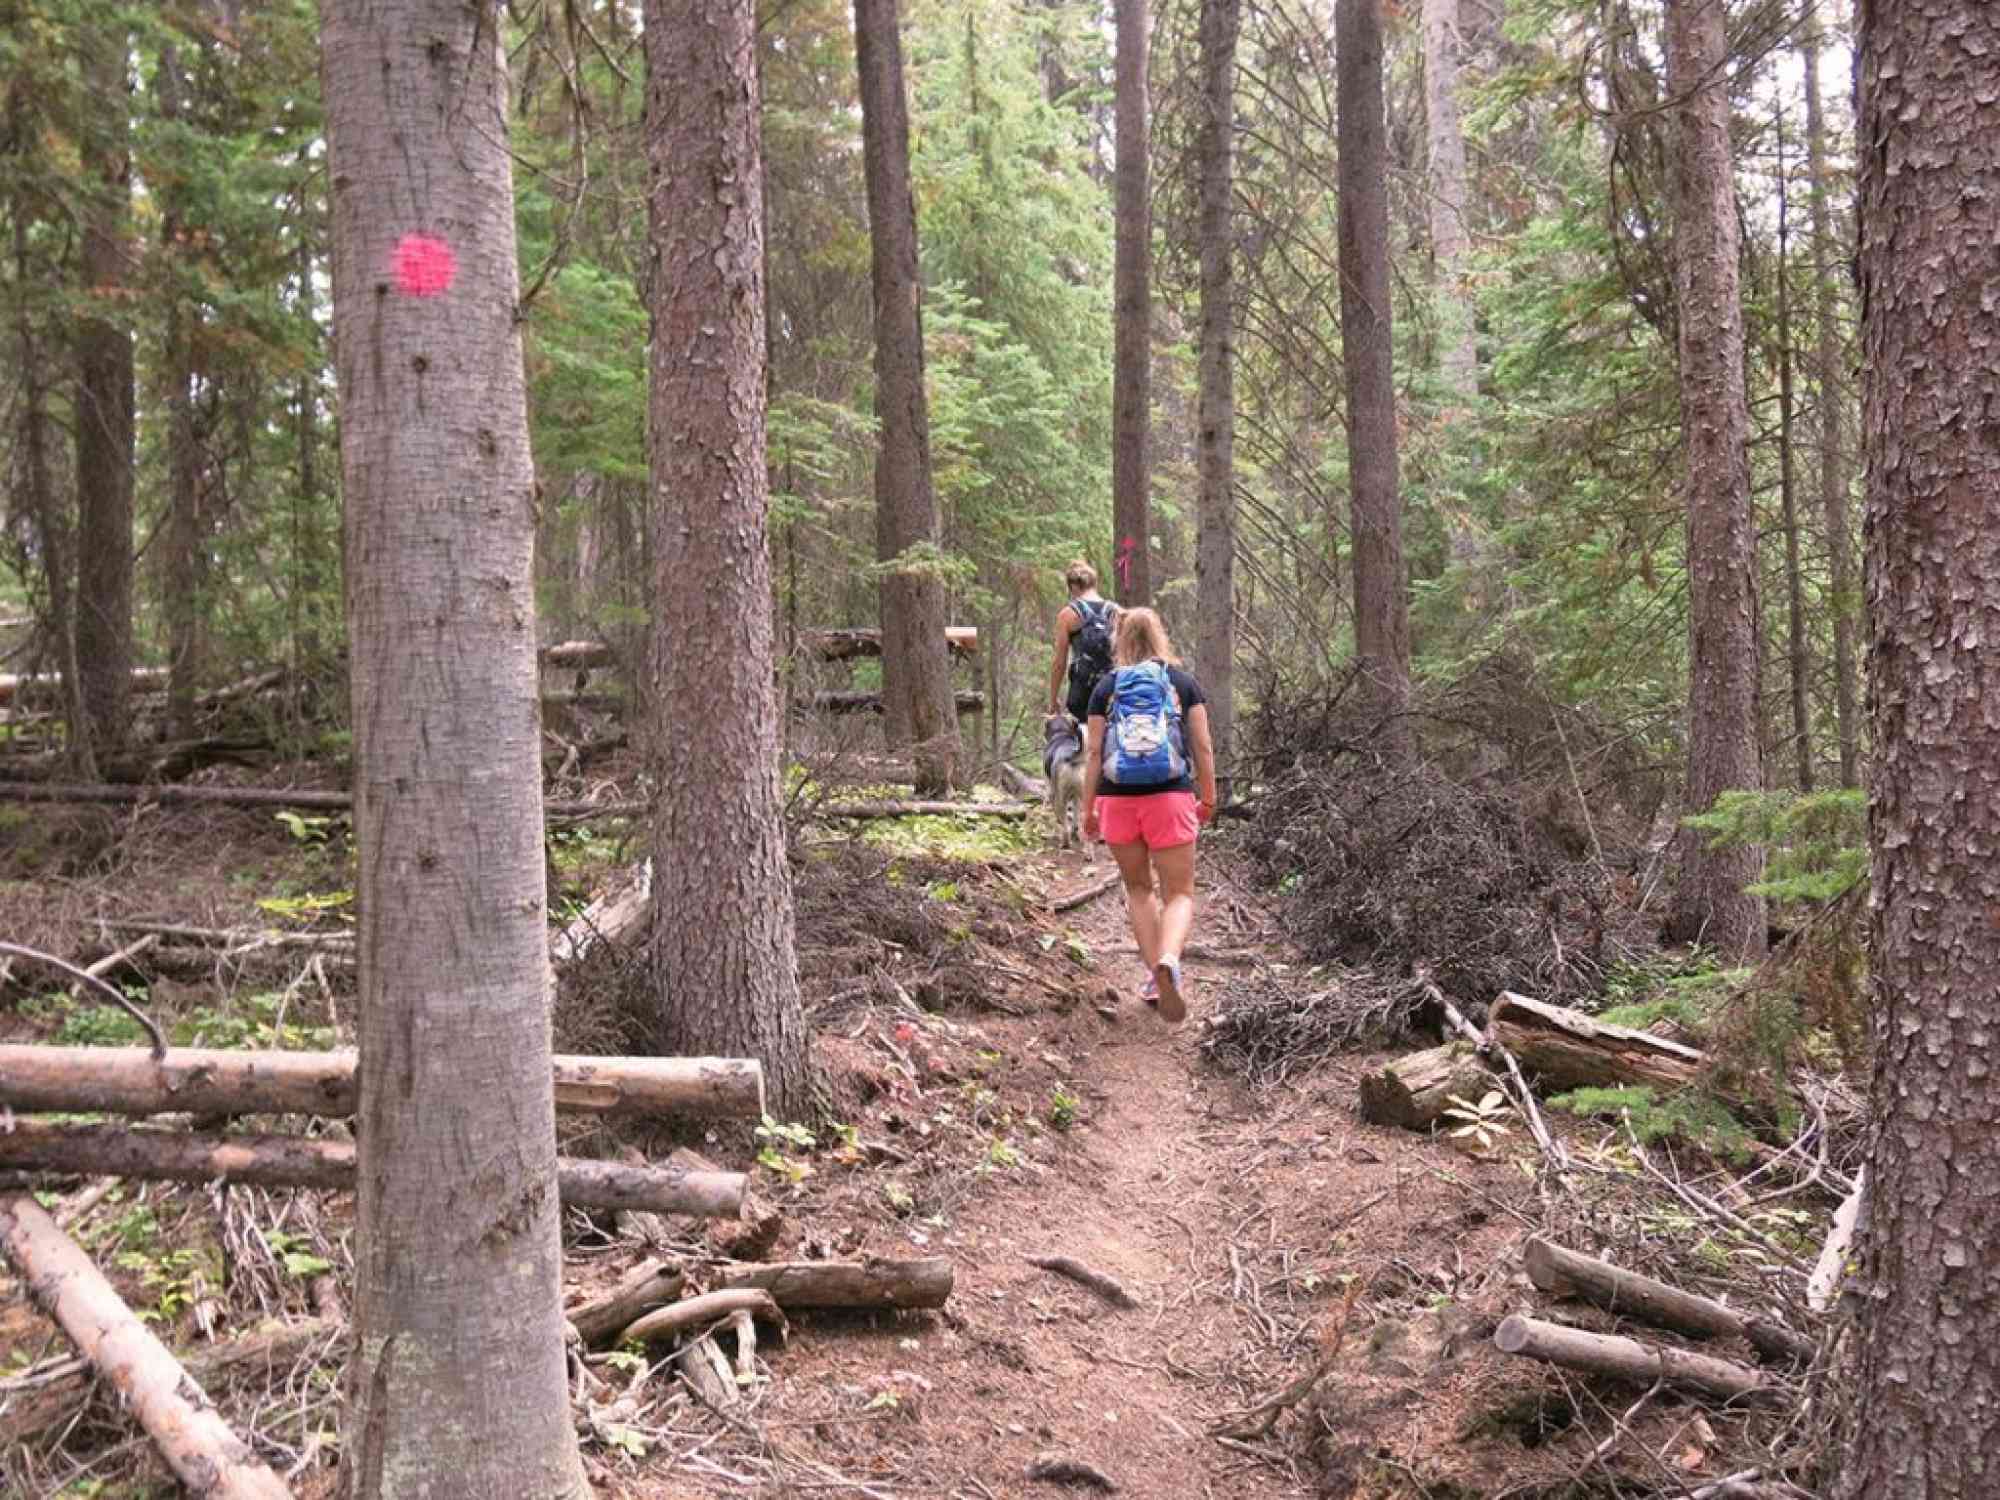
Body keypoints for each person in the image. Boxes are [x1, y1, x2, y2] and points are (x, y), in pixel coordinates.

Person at [1080, 608, 1217, 1023]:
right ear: (1160, 636)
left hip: (1118, 801)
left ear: (1119, 640)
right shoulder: (1182, 683)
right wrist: (1207, 798)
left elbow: (1093, 753)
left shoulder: (1106, 686)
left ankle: (1153, 974)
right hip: (1170, 798)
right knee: (1179, 892)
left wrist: (1088, 809)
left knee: (1139, 890)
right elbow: (1203, 747)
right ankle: (1170, 960)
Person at [1047, 560, 1119, 726]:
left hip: (1082, 692)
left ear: (1073, 586)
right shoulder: (1116, 612)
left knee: (1084, 740)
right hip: (1112, 691)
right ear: (1094, 583)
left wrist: (1053, 699)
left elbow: (1059, 662)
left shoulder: (1068, 614)